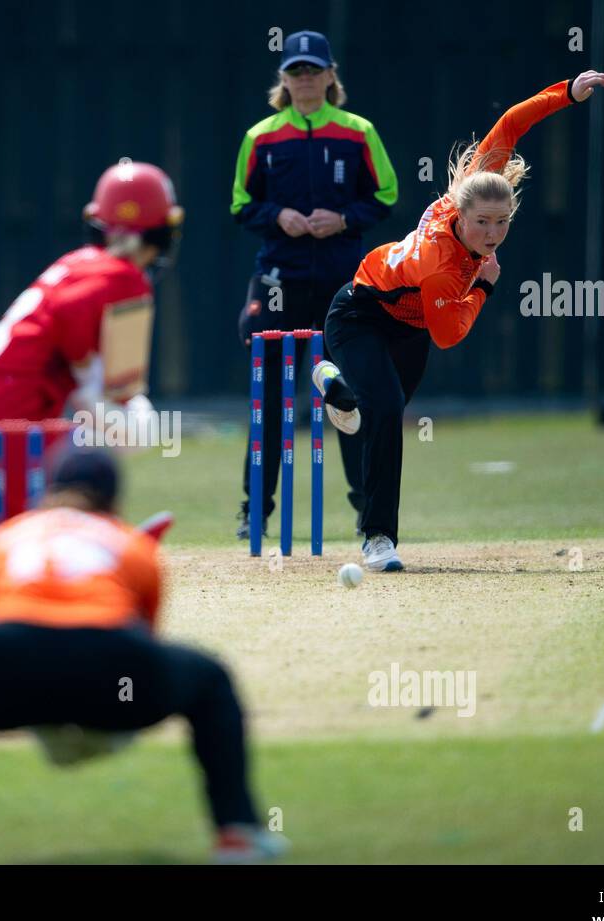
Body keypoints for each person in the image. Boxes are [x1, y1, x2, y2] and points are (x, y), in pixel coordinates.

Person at [0, 448, 287, 864]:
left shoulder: (5, 536)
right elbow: (144, 639)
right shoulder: (131, 543)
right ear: (114, 499)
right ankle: (237, 832)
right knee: (210, 677)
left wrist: (37, 700)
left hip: (2, 661)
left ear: (51, 488)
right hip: (110, 660)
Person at [313, 71, 604, 571]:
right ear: (461, 213)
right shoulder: (442, 265)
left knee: (370, 415)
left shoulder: (473, 190)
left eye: (502, 222)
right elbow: (449, 334)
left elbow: (510, 124)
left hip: (408, 326)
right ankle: (378, 539)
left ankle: (335, 385)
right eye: (483, 224)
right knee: (387, 409)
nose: (492, 234)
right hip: (359, 314)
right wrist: (485, 286)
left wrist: (568, 92)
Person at [0, 162, 181, 515]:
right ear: (161, 231)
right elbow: (71, 315)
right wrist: (88, 373)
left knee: (33, 524)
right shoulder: (126, 278)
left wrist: (93, 388)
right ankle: (105, 547)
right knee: (95, 466)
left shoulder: (79, 261)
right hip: (1, 415)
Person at [231, 30, 398, 541]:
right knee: (273, 398)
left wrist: (344, 219)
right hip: (279, 278)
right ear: (283, 80)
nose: (304, 79)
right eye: (295, 71)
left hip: (342, 283)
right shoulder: (262, 136)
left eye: (313, 70)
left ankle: (367, 507)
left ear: (330, 76)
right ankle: (254, 510)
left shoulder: (357, 131)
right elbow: (241, 204)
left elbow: (386, 194)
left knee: (348, 396)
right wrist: (277, 214)